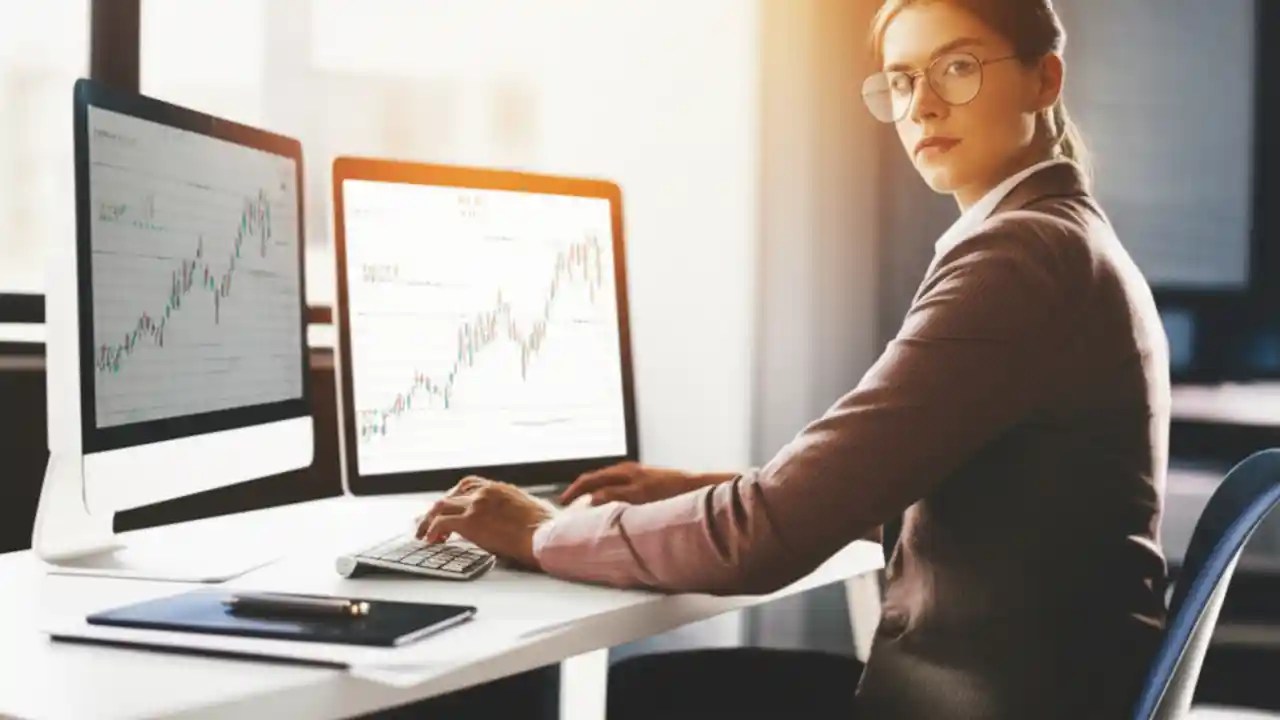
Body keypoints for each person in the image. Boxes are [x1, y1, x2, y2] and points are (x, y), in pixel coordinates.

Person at [416, 0, 1171, 717]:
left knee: (646, 698)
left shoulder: (1019, 258)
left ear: (1045, 77)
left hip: (984, 705)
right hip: (1040, 692)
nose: (923, 106)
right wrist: (706, 489)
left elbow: (764, 538)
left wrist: (540, 534)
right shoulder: (1061, 238)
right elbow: (950, 496)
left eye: (958, 67)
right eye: (902, 80)